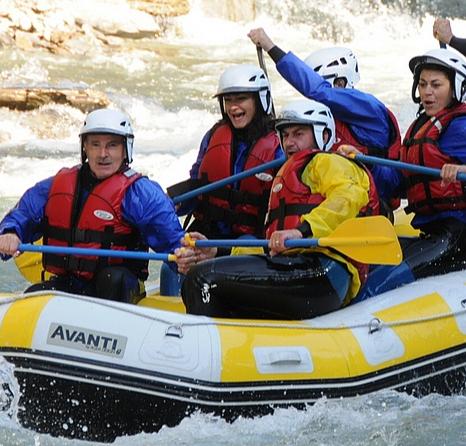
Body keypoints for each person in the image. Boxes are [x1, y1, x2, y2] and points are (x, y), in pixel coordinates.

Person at [179, 100, 381, 319]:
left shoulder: (329, 162)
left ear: (323, 136)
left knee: (203, 279)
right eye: (285, 136)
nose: (289, 143)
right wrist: (217, 253)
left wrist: (301, 231)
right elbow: (270, 246)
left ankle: (200, 349)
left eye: (298, 134)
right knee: (208, 276)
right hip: (293, 264)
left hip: (327, 269)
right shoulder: (285, 176)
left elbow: (348, 198)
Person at [356, 47, 466, 299]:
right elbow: (398, 182)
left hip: (459, 240)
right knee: (364, 263)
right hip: (432, 235)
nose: (426, 92)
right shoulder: (421, 126)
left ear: (455, 88)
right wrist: (363, 164)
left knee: (379, 283)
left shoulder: (463, 125)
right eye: (422, 85)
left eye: (436, 85)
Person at [0, 109, 201, 304]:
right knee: (33, 295)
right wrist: (10, 232)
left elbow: (172, 241)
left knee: (113, 279)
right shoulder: (56, 186)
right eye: (95, 145)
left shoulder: (142, 193)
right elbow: (23, 213)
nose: (103, 154)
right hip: (69, 283)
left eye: (112, 145)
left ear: (125, 149)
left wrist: (184, 257)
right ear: (85, 147)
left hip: (120, 286)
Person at [246, 28, 402, 211]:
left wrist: (270, 47)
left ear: (341, 83)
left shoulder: (369, 109)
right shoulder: (321, 123)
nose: (314, 100)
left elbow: (320, 91)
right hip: (333, 200)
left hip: (374, 201)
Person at [160, 65, 283, 296]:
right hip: (209, 230)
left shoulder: (279, 143)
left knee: (243, 258)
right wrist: (170, 203)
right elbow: (199, 181)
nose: (234, 107)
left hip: (251, 238)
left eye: (241, 99)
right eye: (228, 100)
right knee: (172, 266)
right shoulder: (214, 135)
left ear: (260, 100)